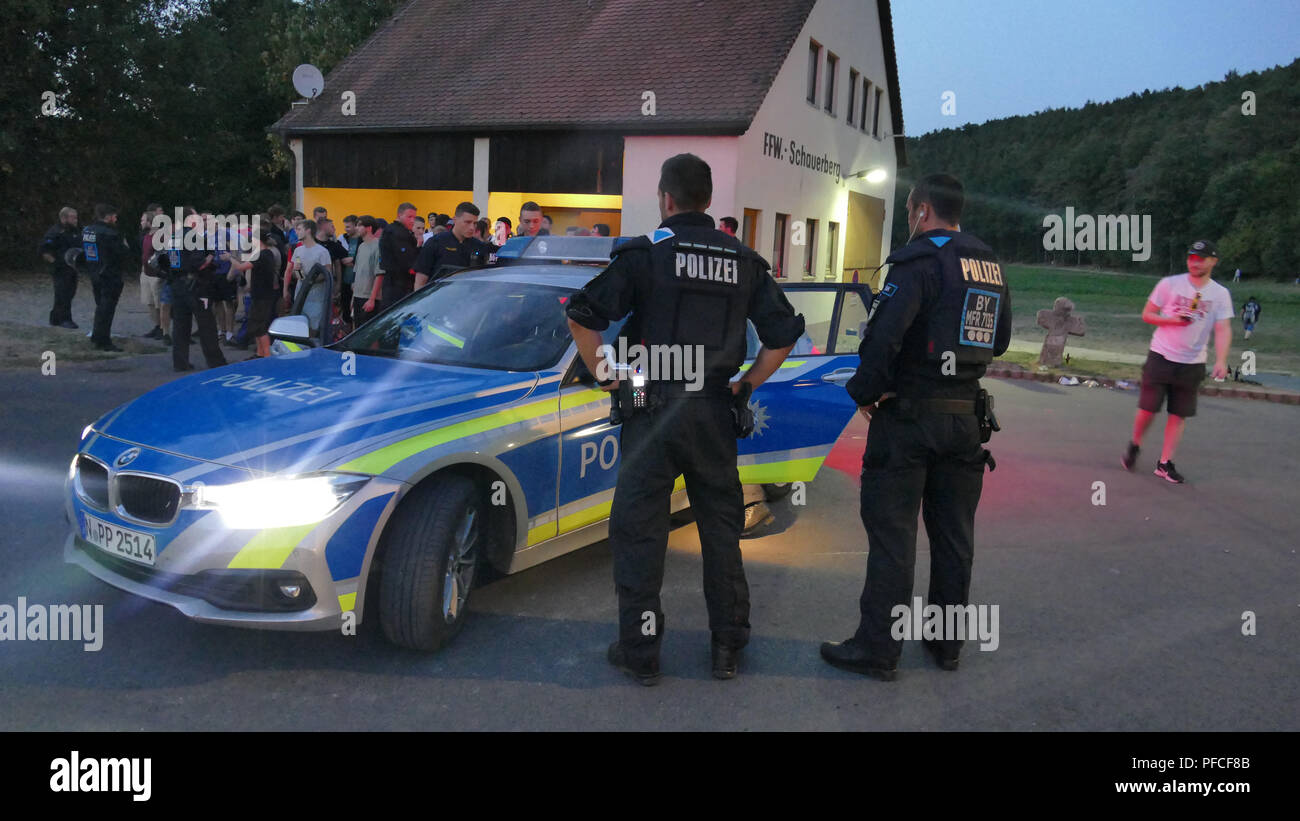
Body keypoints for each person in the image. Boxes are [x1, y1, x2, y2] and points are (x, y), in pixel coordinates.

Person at [566, 153, 804, 684]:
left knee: (640, 534)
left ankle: (642, 652)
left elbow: (582, 314)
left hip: (652, 412)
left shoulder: (646, 254)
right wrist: (745, 384)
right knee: (721, 533)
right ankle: (727, 649)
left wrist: (608, 373)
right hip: (714, 411)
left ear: (666, 199)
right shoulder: (743, 260)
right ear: (706, 200)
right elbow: (783, 336)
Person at [820, 173, 1011, 680]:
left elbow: (883, 337)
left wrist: (864, 391)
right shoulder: (988, 265)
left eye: (909, 212)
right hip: (967, 419)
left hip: (909, 418)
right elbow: (1001, 340)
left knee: (893, 536)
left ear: (922, 211)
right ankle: (946, 645)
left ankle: (878, 650)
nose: (909, 220)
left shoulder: (917, 261)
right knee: (953, 537)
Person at [1121, 239, 1232, 483]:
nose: (1195, 262)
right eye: (1192, 257)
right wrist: (1172, 320)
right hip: (1161, 355)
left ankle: (1164, 463)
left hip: (1193, 362)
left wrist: (1221, 359)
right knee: (1148, 409)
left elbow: (1223, 328)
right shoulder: (1170, 284)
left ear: (1213, 261)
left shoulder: (1220, 294)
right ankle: (1135, 444)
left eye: (1201, 259)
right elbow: (1147, 314)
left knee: (1178, 414)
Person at [160, 209, 227, 371]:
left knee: (180, 326)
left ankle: (180, 362)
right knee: (207, 325)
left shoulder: (172, 237)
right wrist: (211, 258)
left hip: (177, 285)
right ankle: (215, 361)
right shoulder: (194, 237)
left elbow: (163, 261)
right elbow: (199, 263)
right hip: (196, 287)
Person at [81, 203, 131, 352]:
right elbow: (123, 254)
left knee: (100, 307)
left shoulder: (88, 230)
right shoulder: (111, 234)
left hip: (94, 272)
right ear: (108, 216)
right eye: (114, 215)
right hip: (110, 274)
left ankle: (97, 335)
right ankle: (104, 341)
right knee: (107, 309)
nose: (116, 218)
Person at [413, 202, 496, 289]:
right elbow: (420, 282)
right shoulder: (436, 243)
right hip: (438, 298)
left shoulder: (479, 246)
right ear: (455, 220)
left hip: (468, 299)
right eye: (467, 222)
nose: (472, 227)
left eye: (475, 223)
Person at [229, 225, 280, 359]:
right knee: (256, 325)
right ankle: (260, 353)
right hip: (261, 295)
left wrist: (229, 257)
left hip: (262, 296)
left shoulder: (261, 255)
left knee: (260, 327)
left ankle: (266, 355)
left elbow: (241, 267)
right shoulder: (267, 253)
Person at [39, 206, 81, 328]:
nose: (75, 220)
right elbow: (44, 250)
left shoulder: (75, 231)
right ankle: (65, 319)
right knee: (62, 294)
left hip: (72, 268)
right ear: (64, 218)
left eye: (76, 217)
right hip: (60, 269)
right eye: (73, 217)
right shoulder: (55, 232)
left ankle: (56, 318)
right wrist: (55, 263)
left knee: (70, 293)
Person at [377, 203, 420, 306]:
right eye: (409, 217)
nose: (412, 220)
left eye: (414, 217)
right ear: (399, 215)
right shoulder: (397, 232)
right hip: (397, 283)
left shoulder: (397, 231)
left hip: (396, 282)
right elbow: (407, 260)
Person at [352, 215, 383, 324]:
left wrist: (372, 299)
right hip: (358, 295)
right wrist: (353, 297)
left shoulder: (378, 245)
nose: (356, 228)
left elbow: (380, 274)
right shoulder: (361, 246)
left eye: (359, 225)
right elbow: (357, 273)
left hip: (369, 296)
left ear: (369, 228)